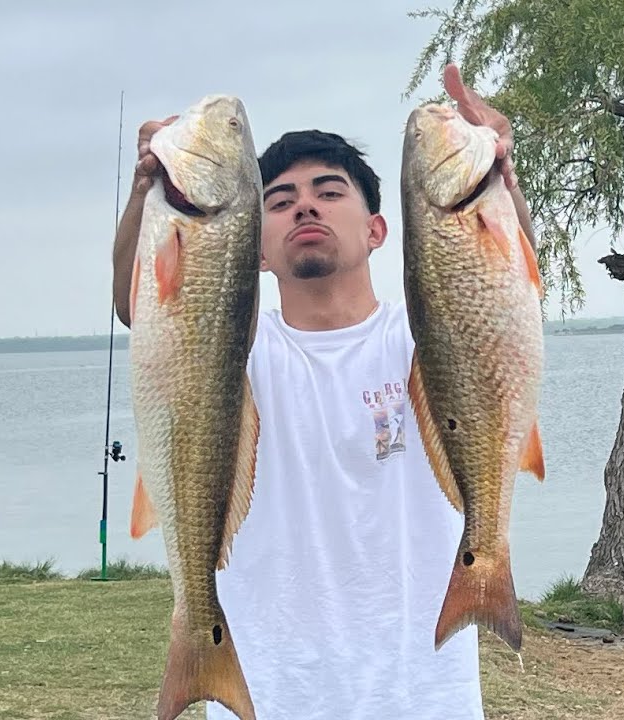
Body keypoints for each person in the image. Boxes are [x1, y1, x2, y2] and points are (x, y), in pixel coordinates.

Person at [110, 64, 538, 720]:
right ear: (253, 244)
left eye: (329, 191)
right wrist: (148, 196)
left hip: (423, 699)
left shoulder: (427, 337)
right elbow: (144, 309)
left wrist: (503, 187)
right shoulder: (233, 353)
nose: (304, 205)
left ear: (377, 230)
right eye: (279, 200)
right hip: (274, 694)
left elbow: (508, 295)